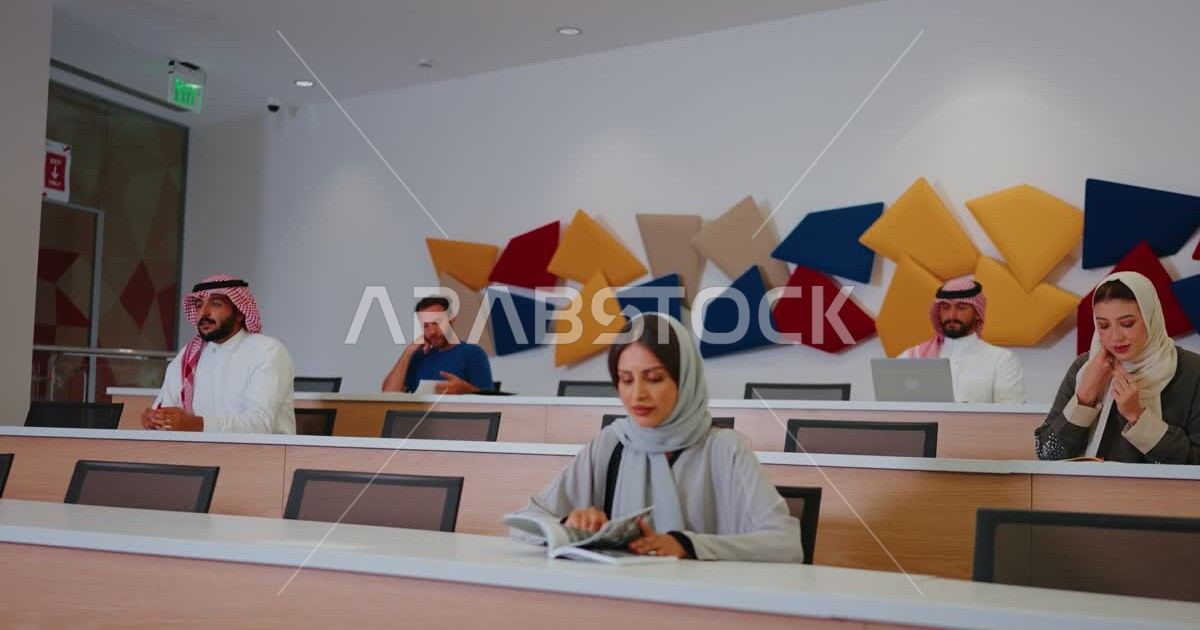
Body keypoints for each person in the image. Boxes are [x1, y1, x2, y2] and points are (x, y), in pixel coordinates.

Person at [509, 312, 803, 561]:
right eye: (625, 380)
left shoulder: (724, 449)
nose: (637, 394)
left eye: (654, 378)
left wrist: (686, 545)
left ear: (684, 378)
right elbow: (523, 524)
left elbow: (786, 544)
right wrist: (568, 525)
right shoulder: (611, 443)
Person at [1035, 272, 1200, 463]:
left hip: (1161, 493)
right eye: (1103, 326)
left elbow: (1195, 462)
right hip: (1086, 491)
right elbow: (1047, 454)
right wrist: (1084, 400)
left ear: (1150, 318)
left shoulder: (1192, 371)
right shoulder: (1086, 367)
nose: (1116, 337)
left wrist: (1137, 416)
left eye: (1127, 324)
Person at [143, 274, 296, 434]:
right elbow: (166, 410)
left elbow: (260, 425)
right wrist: (156, 420)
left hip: (263, 457)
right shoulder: (188, 356)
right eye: (198, 305)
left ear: (239, 313)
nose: (204, 313)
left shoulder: (268, 351)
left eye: (216, 304)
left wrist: (196, 424)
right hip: (196, 455)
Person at [899, 278, 1025, 403]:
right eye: (945, 307)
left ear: (977, 312)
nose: (951, 315)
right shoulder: (913, 356)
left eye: (961, 308)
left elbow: (1012, 417)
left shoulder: (1001, 360)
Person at [382, 296, 494, 395]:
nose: (431, 332)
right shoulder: (418, 357)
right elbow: (388, 394)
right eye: (425, 326)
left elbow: (491, 402)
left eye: (436, 323)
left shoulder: (473, 353)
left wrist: (466, 390)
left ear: (452, 320)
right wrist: (409, 351)